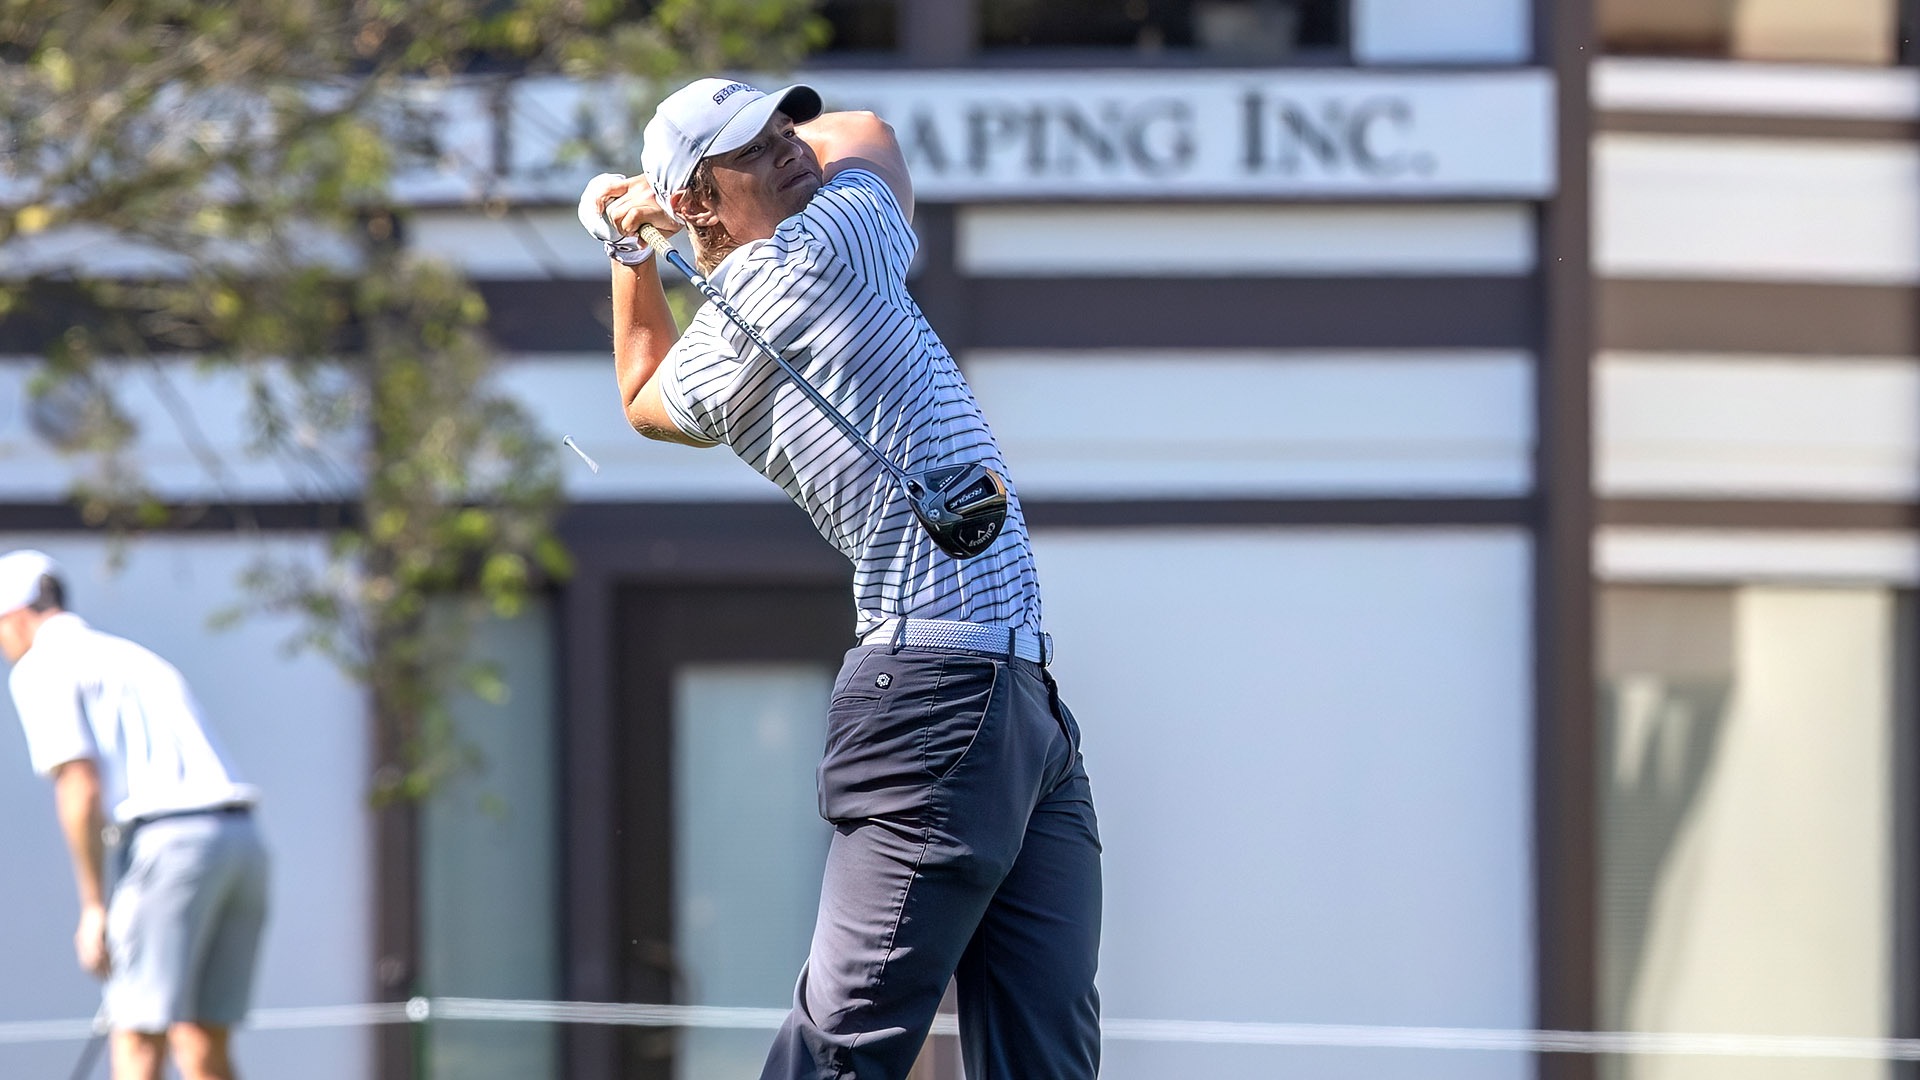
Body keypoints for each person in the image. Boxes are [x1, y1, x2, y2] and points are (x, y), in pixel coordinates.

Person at [575, 79, 1103, 1079]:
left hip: (1010, 703)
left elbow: (643, 398)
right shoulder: (831, 247)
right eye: (754, 146)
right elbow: (871, 133)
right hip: (944, 699)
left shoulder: (729, 342)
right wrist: (657, 214)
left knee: (1045, 1053)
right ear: (699, 197)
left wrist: (630, 247)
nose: (788, 147)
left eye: (783, 125)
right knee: (845, 1049)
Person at [0, 550, 269, 1080]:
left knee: (138, 1031)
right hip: (242, 843)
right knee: (202, 1034)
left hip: (169, 844)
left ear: (16, 614)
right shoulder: (135, 658)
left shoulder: (40, 668)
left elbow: (79, 786)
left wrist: (94, 905)